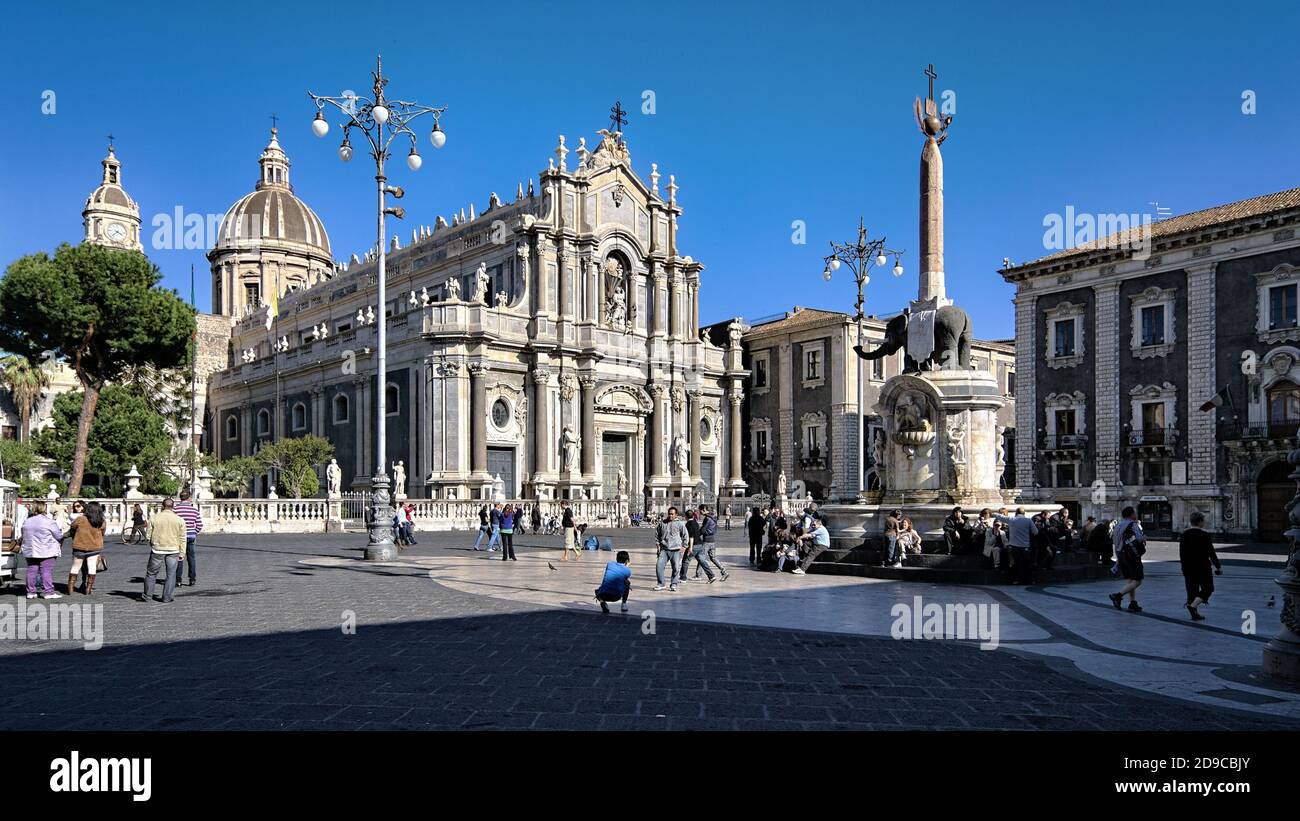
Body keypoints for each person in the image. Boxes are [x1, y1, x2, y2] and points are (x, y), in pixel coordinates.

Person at [141, 498, 187, 603]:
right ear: (173, 506)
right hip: (173, 549)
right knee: (171, 574)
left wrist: (152, 543)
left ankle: (147, 596)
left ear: (162, 506)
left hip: (158, 549)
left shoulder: (154, 518)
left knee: (151, 573)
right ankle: (167, 597)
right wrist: (182, 552)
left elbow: (148, 535)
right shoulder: (179, 520)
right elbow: (183, 538)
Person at [1179, 511, 1221, 621]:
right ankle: (1193, 607)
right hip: (1203, 567)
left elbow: (1182, 554)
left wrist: (1183, 568)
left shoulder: (1184, 535)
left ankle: (1194, 613)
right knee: (1208, 588)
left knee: (1192, 590)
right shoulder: (1205, 535)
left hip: (1188, 567)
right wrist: (1218, 566)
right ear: (1200, 522)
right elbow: (1211, 553)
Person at [20, 501, 63, 600]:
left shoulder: (27, 521)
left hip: (30, 549)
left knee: (31, 570)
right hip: (47, 549)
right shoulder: (49, 522)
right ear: (44, 508)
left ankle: (30, 592)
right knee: (46, 571)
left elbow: (23, 534)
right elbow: (58, 536)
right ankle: (49, 592)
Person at [1108, 506, 1146, 613]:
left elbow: (1115, 542)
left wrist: (1118, 558)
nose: (1136, 514)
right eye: (1134, 513)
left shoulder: (1118, 525)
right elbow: (1139, 539)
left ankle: (1132, 603)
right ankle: (1117, 596)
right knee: (1138, 580)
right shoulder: (1133, 524)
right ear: (1131, 514)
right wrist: (1144, 538)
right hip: (1131, 556)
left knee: (1130, 579)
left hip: (1121, 554)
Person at [68, 501, 107, 595]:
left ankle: (70, 588)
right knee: (92, 567)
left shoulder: (81, 519)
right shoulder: (101, 521)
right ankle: (88, 588)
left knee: (75, 567)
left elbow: (72, 528)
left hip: (79, 546)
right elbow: (102, 533)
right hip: (94, 547)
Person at [993, 507, 1038, 585]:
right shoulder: (1028, 520)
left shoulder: (1012, 519)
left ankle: (1016, 580)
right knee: (1027, 564)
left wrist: (992, 513)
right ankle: (1029, 580)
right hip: (1025, 546)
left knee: (1016, 564)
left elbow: (1001, 517)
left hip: (1014, 546)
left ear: (1016, 513)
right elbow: (1036, 532)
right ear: (1024, 513)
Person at [173, 490, 204, 588]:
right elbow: (199, 525)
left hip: (178, 537)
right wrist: (194, 532)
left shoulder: (175, 510)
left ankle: (178, 580)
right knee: (191, 559)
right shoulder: (194, 510)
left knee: (179, 558)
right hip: (190, 536)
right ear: (189, 498)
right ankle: (192, 579)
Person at [653, 506, 688, 591]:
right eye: (669, 514)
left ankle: (674, 584)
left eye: (672, 514)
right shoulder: (662, 523)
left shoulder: (680, 524)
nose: (670, 516)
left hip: (676, 550)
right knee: (659, 566)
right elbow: (657, 534)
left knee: (676, 568)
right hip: (664, 549)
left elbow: (685, 535)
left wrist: (684, 546)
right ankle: (661, 583)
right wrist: (658, 545)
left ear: (676, 515)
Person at [699, 505, 729, 581]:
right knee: (713, 558)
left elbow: (702, 530)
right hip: (712, 540)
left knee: (701, 557)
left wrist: (696, 534)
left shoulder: (707, 519)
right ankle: (724, 571)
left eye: (700, 510)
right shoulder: (713, 517)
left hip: (706, 540)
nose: (700, 512)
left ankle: (698, 575)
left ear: (704, 510)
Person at [683, 508, 703, 581]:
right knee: (702, 561)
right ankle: (711, 575)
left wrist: (690, 547)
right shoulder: (696, 523)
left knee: (685, 561)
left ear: (686, 516)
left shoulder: (688, 524)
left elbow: (691, 536)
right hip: (699, 544)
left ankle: (683, 577)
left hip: (693, 545)